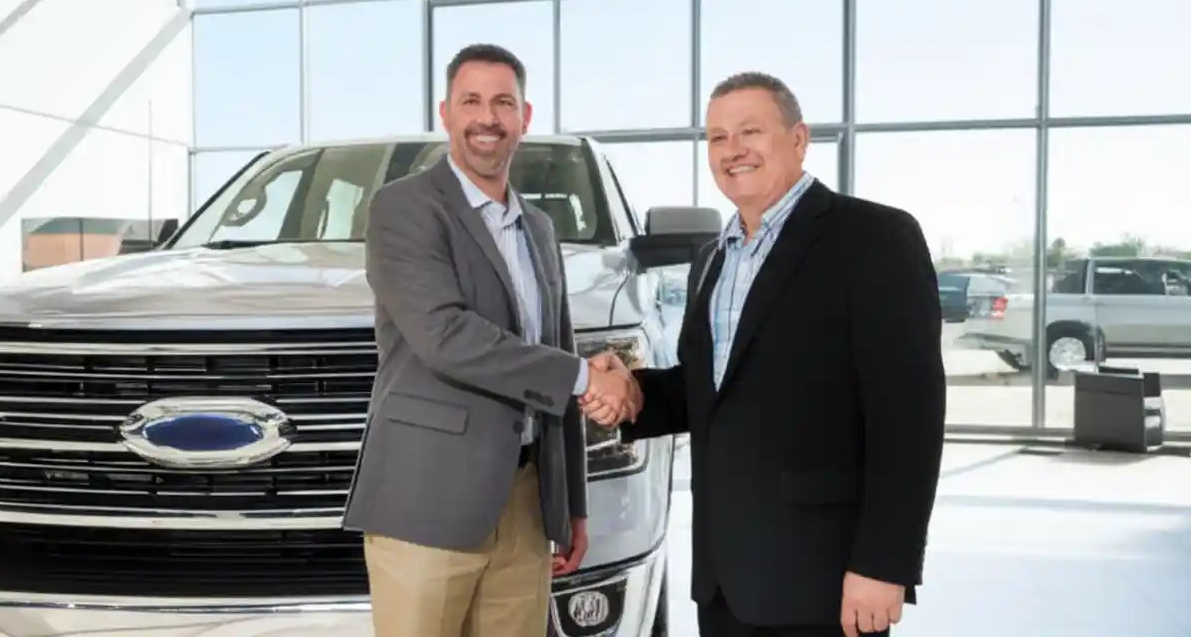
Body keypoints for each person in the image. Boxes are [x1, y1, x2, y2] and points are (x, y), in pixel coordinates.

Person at [580, 72, 947, 637]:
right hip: (725, 578)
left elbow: (910, 418)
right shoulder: (714, 259)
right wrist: (635, 391)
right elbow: (713, 390)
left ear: (798, 139)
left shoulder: (874, 238)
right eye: (718, 138)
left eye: (751, 131)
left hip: (824, 578)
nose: (733, 151)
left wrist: (883, 564)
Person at [344, 43, 633, 637]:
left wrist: (570, 502)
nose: (487, 118)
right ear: (446, 112)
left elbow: (552, 346)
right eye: (471, 101)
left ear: (524, 118)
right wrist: (584, 376)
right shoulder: (404, 208)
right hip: (426, 503)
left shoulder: (540, 228)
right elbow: (446, 336)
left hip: (526, 507)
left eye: (504, 103)